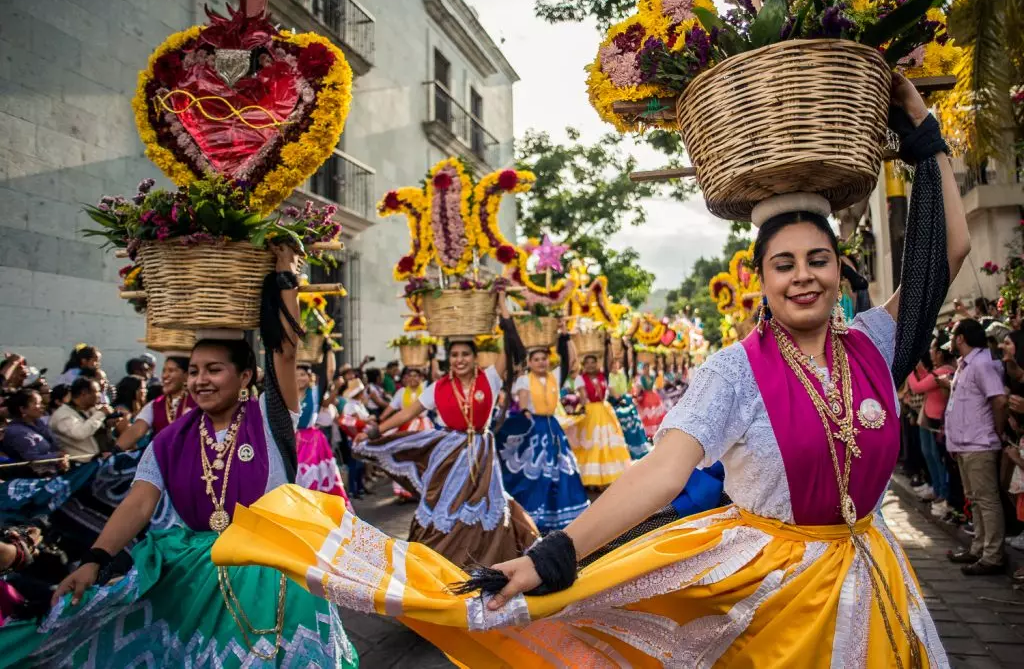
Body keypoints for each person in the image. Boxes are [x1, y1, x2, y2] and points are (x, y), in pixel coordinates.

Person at [212, 75, 966, 667]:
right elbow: (658, 476)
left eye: (817, 260)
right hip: (774, 603)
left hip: (875, 572)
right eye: (783, 264)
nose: (802, 277)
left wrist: (924, 139)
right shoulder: (733, 372)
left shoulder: (871, 342)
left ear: (840, 269)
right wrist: (552, 554)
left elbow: (948, 254)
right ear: (762, 281)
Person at [0, 244, 358, 666]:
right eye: (193, 370)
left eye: (213, 370)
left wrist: (283, 278)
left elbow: (285, 351)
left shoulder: (269, 419)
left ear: (245, 376)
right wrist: (94, 561)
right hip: (193, 577)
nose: (199, 380)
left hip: (274, 573)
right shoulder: (169, 440)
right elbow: (137, 503)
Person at [351, 292, 539, 567]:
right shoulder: (437, 388)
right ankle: (441, 564)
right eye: (454, 355)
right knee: (447, 508)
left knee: (487, 507)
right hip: (449, 456)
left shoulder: (490, 378)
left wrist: (502, 307)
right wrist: (374, 431)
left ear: (475, 358)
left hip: (482, 454)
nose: (459, 360)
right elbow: (407, 412)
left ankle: (484, 562)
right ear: (449, 358)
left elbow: (512, 348)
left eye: (465, 354)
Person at [496, 336, 590, 533]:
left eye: (544, 359)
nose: (541, 362)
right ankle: (533, 518)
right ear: (530, 363)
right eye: (536, 359)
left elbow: (571, 361)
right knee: (536, 474)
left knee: (562, 471)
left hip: (553, 427)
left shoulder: (554, 376)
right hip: (535, 429)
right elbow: (523, 404)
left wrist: (566, 337)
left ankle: (561, 517)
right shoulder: (524, 380)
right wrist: (525, 412)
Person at [945, 318, 1009, 575]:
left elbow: (1000, 400)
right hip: (965, 443)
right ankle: (979, 547)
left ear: (961, 338)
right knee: (975, 499)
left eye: (953, 335)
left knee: (986, 499)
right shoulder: (965, 364)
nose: (951, 339)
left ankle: (992, 555)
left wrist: (998, 430)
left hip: (980, 443)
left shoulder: (982, 363)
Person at [567, 352, 632, 489]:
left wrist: (607, 344)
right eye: (587, 363)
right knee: (591, 444)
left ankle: (607, 478)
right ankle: (591, 480)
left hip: (604, 411)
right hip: (590, 411)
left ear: (597, 364)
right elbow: (583, 396)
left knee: (606, 444)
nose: (590, 365)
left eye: (593, 362)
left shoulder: (604, 376)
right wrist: (582, 408)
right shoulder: (580, 378)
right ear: (583, 365)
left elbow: (609, 388)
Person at [908, 340, 956, 518]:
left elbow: (917, 387)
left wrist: (910, 369)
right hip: (928, 418)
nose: (931, 353)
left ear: (941, 354)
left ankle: (942, 491)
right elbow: (924, 378)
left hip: (936, 421)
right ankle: (937, 489)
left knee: (936, 457)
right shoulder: (939, 371)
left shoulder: (944, 372)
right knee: (929, 455)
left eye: (934, 350)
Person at [113, 356, 193, 452]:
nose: (165, 376)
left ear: (186, 375)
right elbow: (137, 430)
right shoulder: (156, 404)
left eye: (171, 371)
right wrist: (114, 450)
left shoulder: (199, 402)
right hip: (161, 460)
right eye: (164, 371)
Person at [294, 363, 348, 501]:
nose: (299, 378)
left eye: (302, 375)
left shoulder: (315, 392)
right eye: (295, 375)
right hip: (292, 439)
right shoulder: (288, 394)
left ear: (309, 376)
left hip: (312, 441)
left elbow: (329, 370)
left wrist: (328, 347)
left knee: (314, 478)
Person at [381, 367, 433, 501]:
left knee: (423, 460)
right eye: (410, 376)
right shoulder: (401, 392)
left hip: (423, 428)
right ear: (406, 378)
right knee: (403, 459)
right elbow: (391, 407)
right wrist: (380, 420)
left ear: (421, 378)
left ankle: (423, 491)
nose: (413, 379)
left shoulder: (427, 390)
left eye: (416, 376)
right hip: (405, 427)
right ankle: (404, 492)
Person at [49, 378, 124, 460]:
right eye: (97, 391)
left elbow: (92, 430)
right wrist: (101, 413)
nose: (100, 395)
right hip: (84, 466)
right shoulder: (62, 415)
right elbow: (80, 434)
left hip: (104, 459)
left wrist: (108, 424)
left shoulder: (88, 408)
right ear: (84, 393)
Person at [1, 390, 69, 475]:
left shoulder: (40, 423)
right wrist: (58, 456)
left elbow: (55, 444)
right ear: (23, 409)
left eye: (41, 403)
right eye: (37, 403)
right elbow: (32, 460)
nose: (42, 406)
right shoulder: (15, 431)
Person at [608, 356, 651, 459]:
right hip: (615, 401)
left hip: (625, 399)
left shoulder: (622, 375)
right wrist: (619, 399)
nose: (614, 366)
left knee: (635, 420)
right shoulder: (609, 376)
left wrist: (627, 398)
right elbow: (612, 390)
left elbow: (626, 389)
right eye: (612, 364)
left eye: (616, 364)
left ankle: (638, 447)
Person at [634, 359, 666, 439]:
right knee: (646, 417)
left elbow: (654, 386)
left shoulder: (652, 377)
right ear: (643, 369)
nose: (646, 370)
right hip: (645, 397)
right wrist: (637, 395)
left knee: (654, 415)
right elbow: (638, 388)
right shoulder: (640, 378)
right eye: (645, 368)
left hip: (652, 396)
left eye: (648, 368)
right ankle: (647, 433)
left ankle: (654, 433)